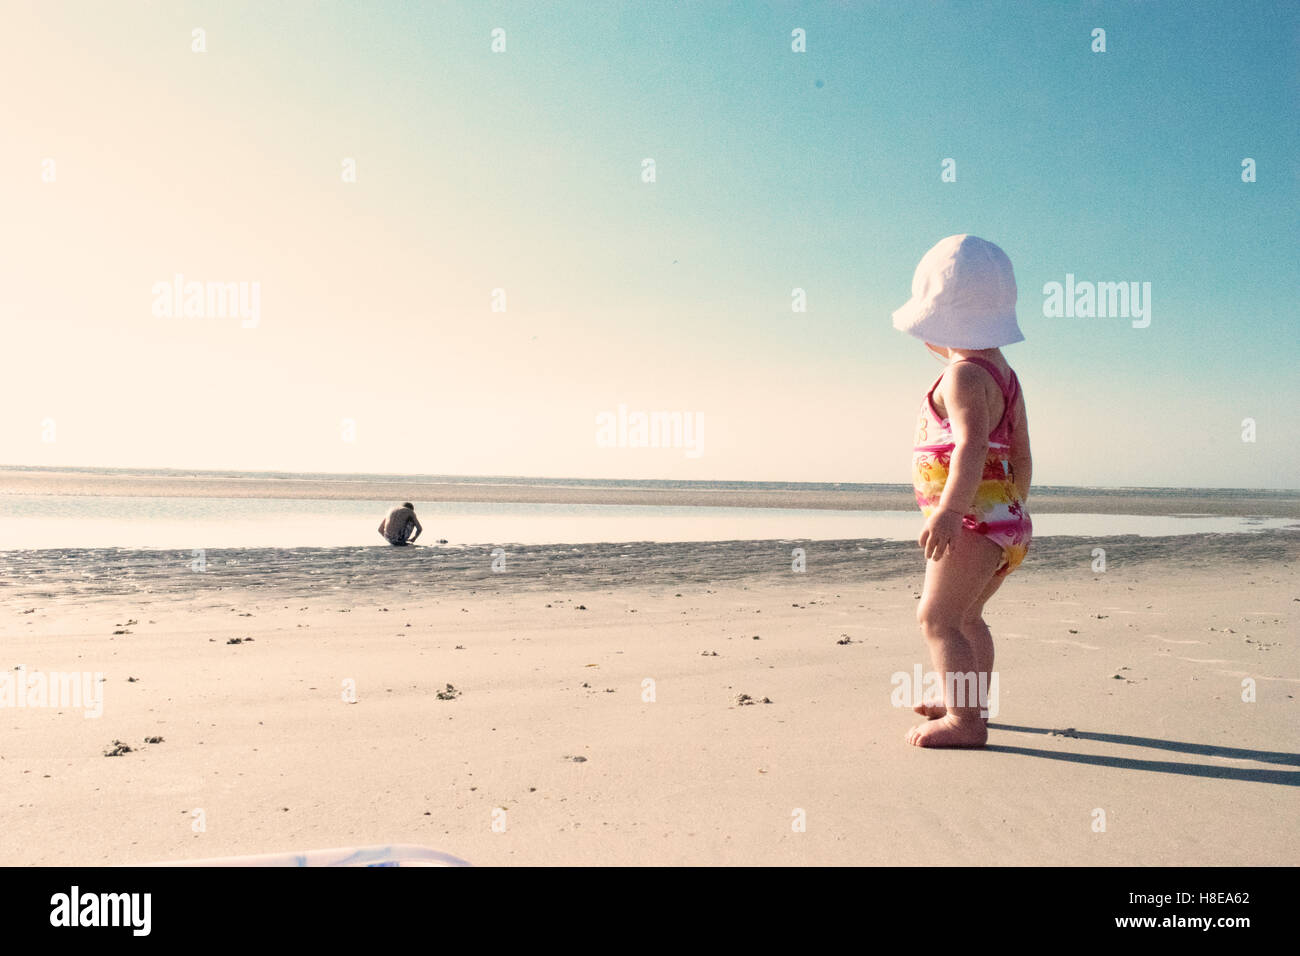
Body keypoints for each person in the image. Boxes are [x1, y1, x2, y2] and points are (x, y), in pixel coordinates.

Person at [892, 234, 1033, 748]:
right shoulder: (1005, 376)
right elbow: (1019, 454)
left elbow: (971, 446)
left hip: (973, 521)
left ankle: (966, 721)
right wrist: (1013, 510)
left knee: (937, 618)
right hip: (1005, 520)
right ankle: (967, 701)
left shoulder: (963, 375)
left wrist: (952, 512)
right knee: (969, 617)